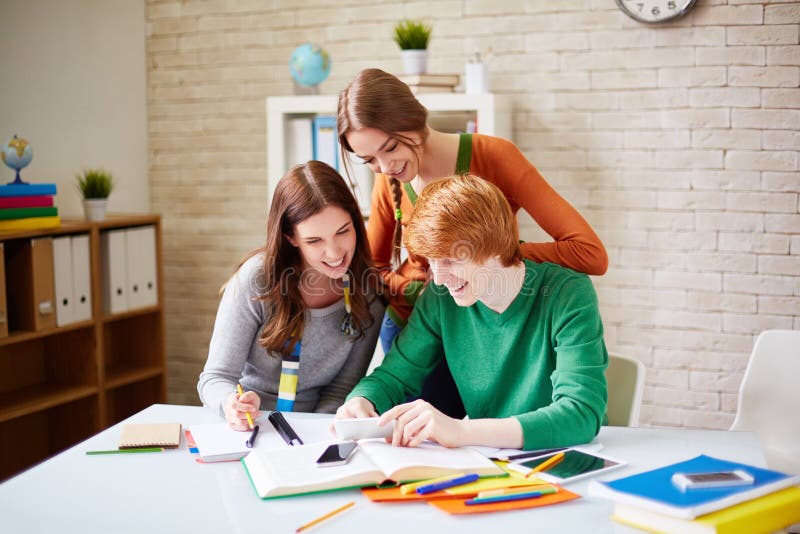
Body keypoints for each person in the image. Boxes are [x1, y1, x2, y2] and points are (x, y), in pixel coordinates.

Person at [337, 68, 608, 418]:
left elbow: (588, 253)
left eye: (390, 147)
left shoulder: (495, 157)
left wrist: (489, 255)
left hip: (487, 320)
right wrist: (420, 288)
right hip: (422, 327)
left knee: (493, 424)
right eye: (369, 160)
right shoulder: (389, 183)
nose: (385, 166)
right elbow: (373, 269)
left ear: (414, 119)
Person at [335, 175, 607, 450]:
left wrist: (460, 431)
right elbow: (393, 376)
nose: (439, 279)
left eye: (451, 260)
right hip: (493, 463)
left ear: (495, 246)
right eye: (432, 261)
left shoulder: (568, 293)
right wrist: (361, 401)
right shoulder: (439, 299)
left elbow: (580, 413)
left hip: (568, 456)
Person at [198, 161, 385, 431]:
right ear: (290, 237)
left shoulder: (368, 291)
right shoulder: (256, 279)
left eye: (343, 231)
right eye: (314, 241)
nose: (334, 253)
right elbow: (216, 377)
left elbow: (341, 389)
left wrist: (312, 435)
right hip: (250, 425)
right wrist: (232, 405)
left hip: (318, 427)